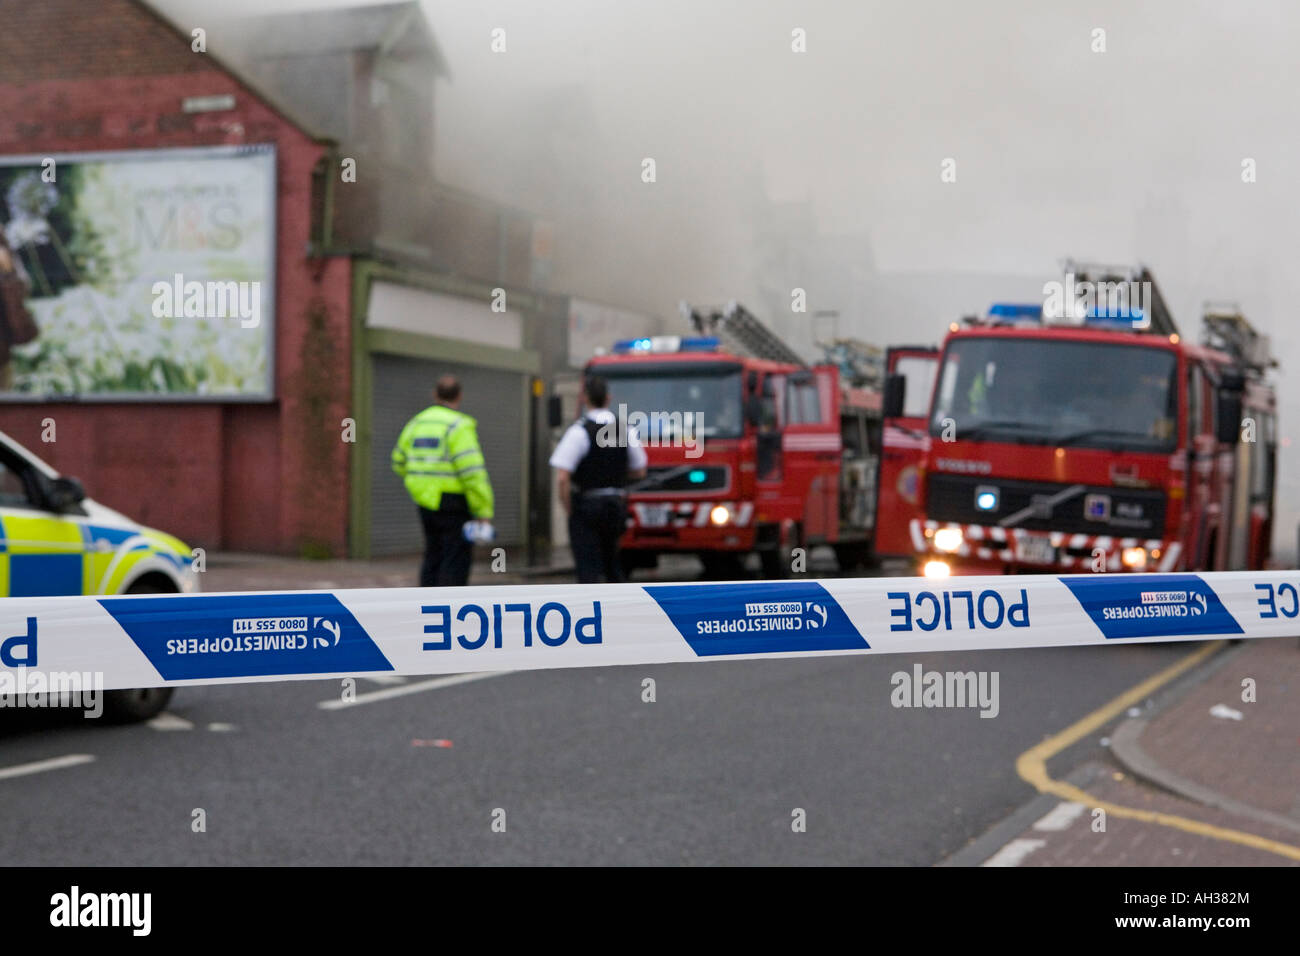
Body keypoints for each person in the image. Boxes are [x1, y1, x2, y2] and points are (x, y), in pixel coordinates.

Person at [391, 375, 494, 587]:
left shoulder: (417, 423)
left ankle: (425, 607)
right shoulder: (458, 426)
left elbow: (398, 461)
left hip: (425, 502)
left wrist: (420, 484)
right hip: (454, 504)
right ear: (459, 396)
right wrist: (483, 510)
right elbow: (472, 472)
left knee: (433, 554)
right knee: (455, 558)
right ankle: (450, 612)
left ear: (435, 394)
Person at [550, 375, 647, 583]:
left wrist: (567, 505)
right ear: (608, 398)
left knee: (587, 567)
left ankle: (591, 609)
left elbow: (562, 476)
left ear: (585, 398)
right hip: (615, 506)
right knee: (612, 562)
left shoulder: (579, 432)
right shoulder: (625, 430)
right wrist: (616, 474)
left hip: (586, 506)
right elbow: (639, 470)